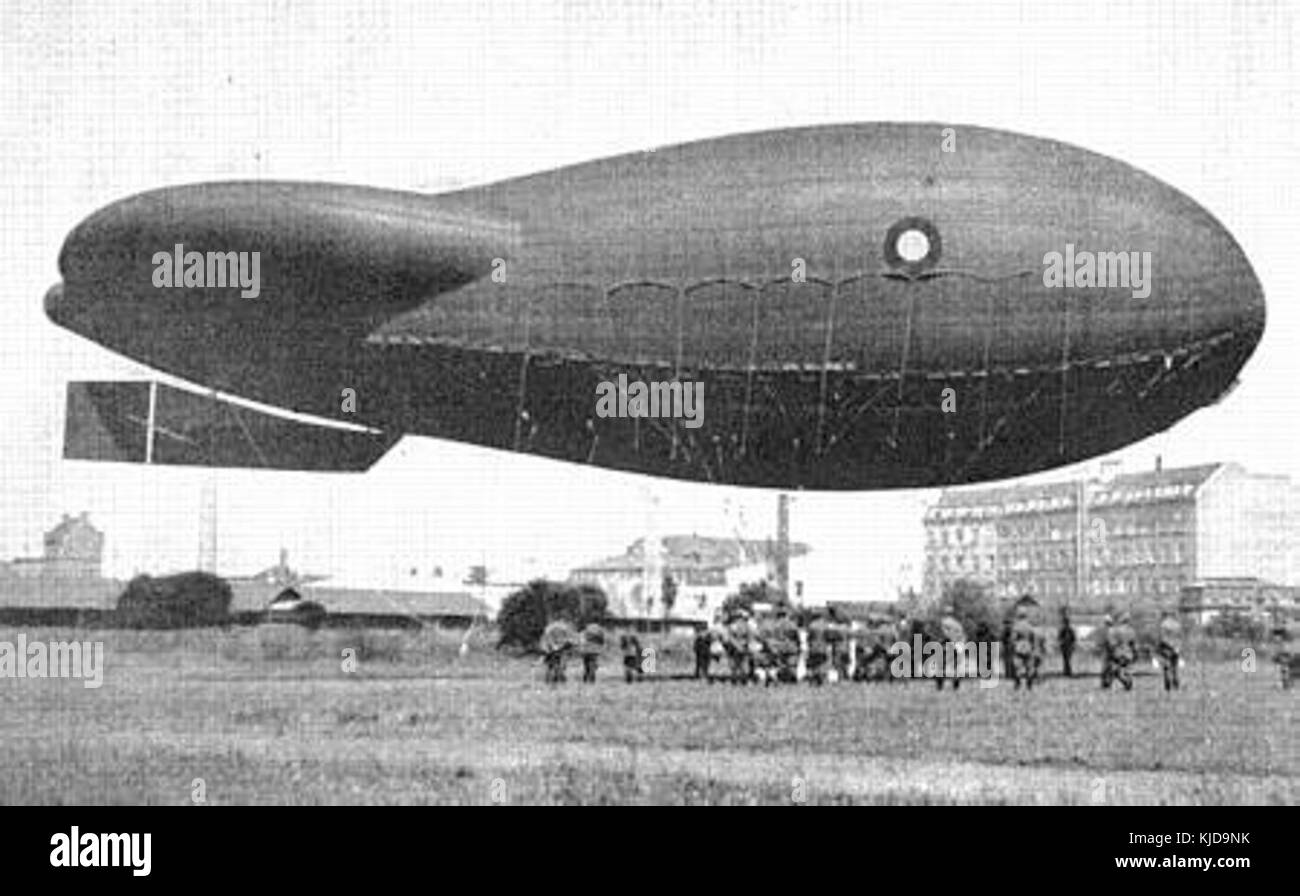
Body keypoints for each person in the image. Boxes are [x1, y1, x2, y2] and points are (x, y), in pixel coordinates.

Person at [1106, 611, 1137, 691]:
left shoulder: (1115, 630)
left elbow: (1112, 644)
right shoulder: (1131, 631)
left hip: (1118, 654)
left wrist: (1111, 653)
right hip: (1128, 654)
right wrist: (1134, 654)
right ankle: (1127, 684)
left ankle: (1125, 682)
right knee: (1127, 670)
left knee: (1115, 671)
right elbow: (1133, 644)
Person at [1156, 611, 1182, 691]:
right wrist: (1177, 647)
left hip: (1166, 649)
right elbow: (1180, 638)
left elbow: (1162, 638)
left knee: (1166, 668)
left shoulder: (1163, 625)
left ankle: (1168, 688)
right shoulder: (1177, 625)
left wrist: (1159, 648)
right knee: (1175, 668)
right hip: (1176, 649)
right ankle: (1176, 686)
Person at [1058, 607, 1077, 678]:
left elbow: (1059, 637)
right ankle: (1067, 671)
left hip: (1066, 646)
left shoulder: (1063, 629)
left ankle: (1066, 671)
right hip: (1068, 646)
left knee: (1066, 659)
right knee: (1067, 659)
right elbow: (1074, 638)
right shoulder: (1070, 629)